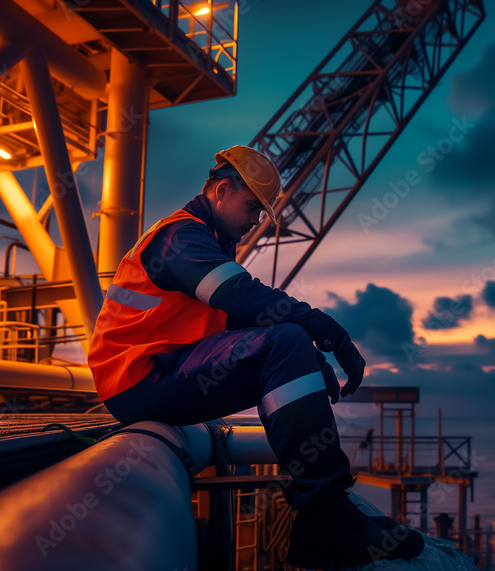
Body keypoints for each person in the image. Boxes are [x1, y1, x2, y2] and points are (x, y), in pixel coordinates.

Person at [87, 145, 423, 567]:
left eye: (261, 214)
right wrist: (327, 330)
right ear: (222, 190)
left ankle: (330, 509)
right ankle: (326, 518)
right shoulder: (180, 237)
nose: (255, 221)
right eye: (252, 207)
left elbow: (236, 325)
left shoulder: (205, 242)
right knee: (286, 340)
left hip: (160, 373)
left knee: (287, 343)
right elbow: (240, 297)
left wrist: (307, 358)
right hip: (137, 380)